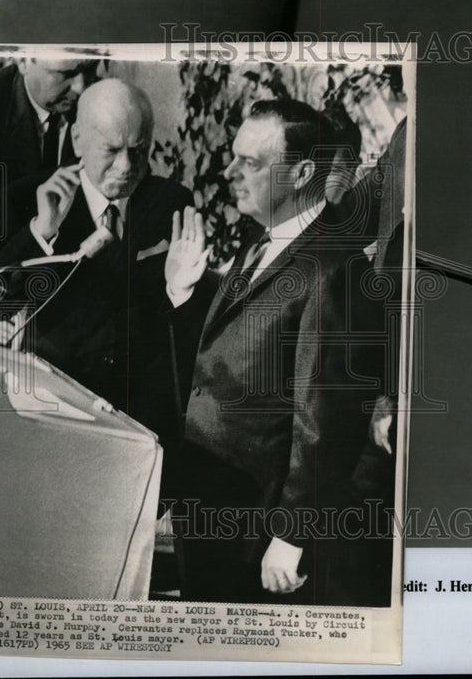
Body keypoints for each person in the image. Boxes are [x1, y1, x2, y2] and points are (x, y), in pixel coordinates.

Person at [165, 100, 392, 605]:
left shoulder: (335, 268)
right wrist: (184, 296)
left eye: (250, 162)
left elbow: (325, 416)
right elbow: (225, 362)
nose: (229, 172)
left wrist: (290, 536)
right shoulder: (260, 243)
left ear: (302, 173)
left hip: (258, 527)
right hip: (211, 502)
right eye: (233, 157)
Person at [0, 78, 192, 448]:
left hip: (140, 415)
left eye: (139, 150)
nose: (126, 167)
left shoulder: (171, 201)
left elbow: (177, 314)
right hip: (58, 407)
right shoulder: (28, 198)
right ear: (78, 140)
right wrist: (41, 232)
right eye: (111, 150)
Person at [0, 53, 95, 254]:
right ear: (23, 61)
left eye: (89, 69)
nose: (81, 87)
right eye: (66, 73)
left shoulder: (100, 100)